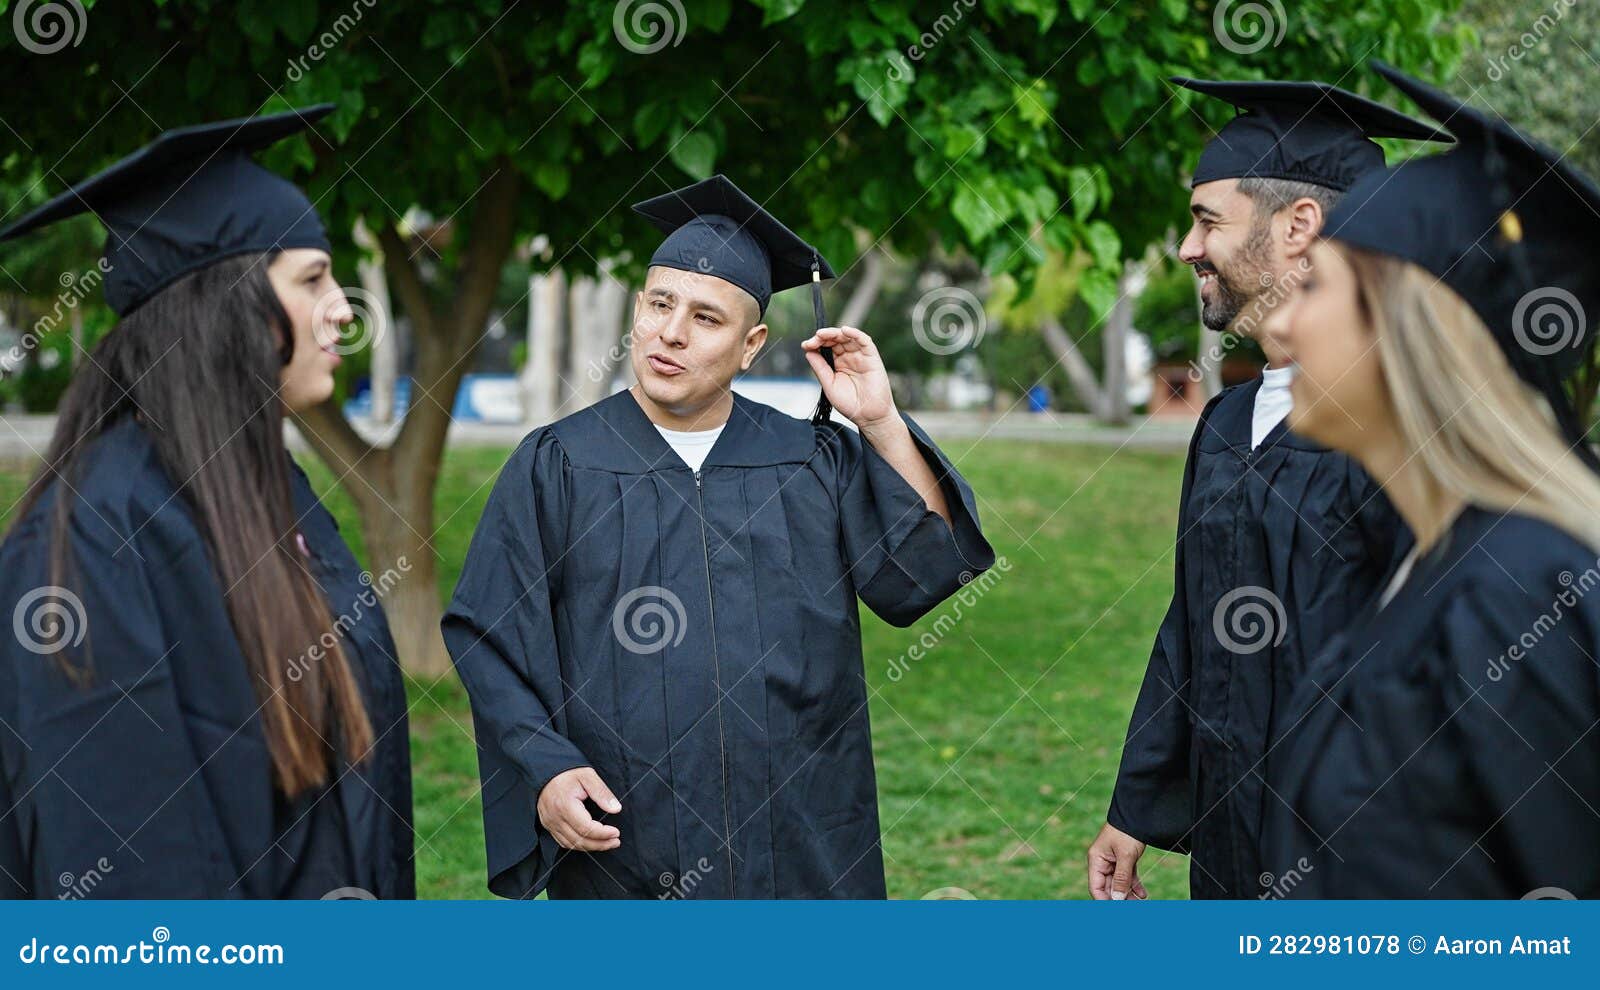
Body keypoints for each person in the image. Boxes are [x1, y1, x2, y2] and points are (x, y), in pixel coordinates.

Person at [443, 174, 995, 899]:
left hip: (802, 840)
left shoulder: (812, 460)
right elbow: (489, 634)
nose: (671, 333)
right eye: (661, 305)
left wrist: (881, 422)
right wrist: (543, 765)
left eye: (706, 318)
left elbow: (929, 568)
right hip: (627, 844)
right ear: (637, 311)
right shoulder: (560, 464)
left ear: (751, 344)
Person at [0, 107, 415, 899]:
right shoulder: (96, 537)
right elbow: (129, 861)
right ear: (227, 308)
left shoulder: (272, 494)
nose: (343, 309)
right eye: (312, 279)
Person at [1089, 78, 1452, 900]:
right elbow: (1191, 620)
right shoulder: (1225, 422)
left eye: (1208, 220)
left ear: (1300, 227)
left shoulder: (1407, 422)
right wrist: (1137, 806)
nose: (1187, 246)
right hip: (1229, 840)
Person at [1260, 62, 1600, 898]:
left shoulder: (1515, 599)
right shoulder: (1430, 562)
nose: (1279, 320)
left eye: (1315, 287)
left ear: (1413, 328)